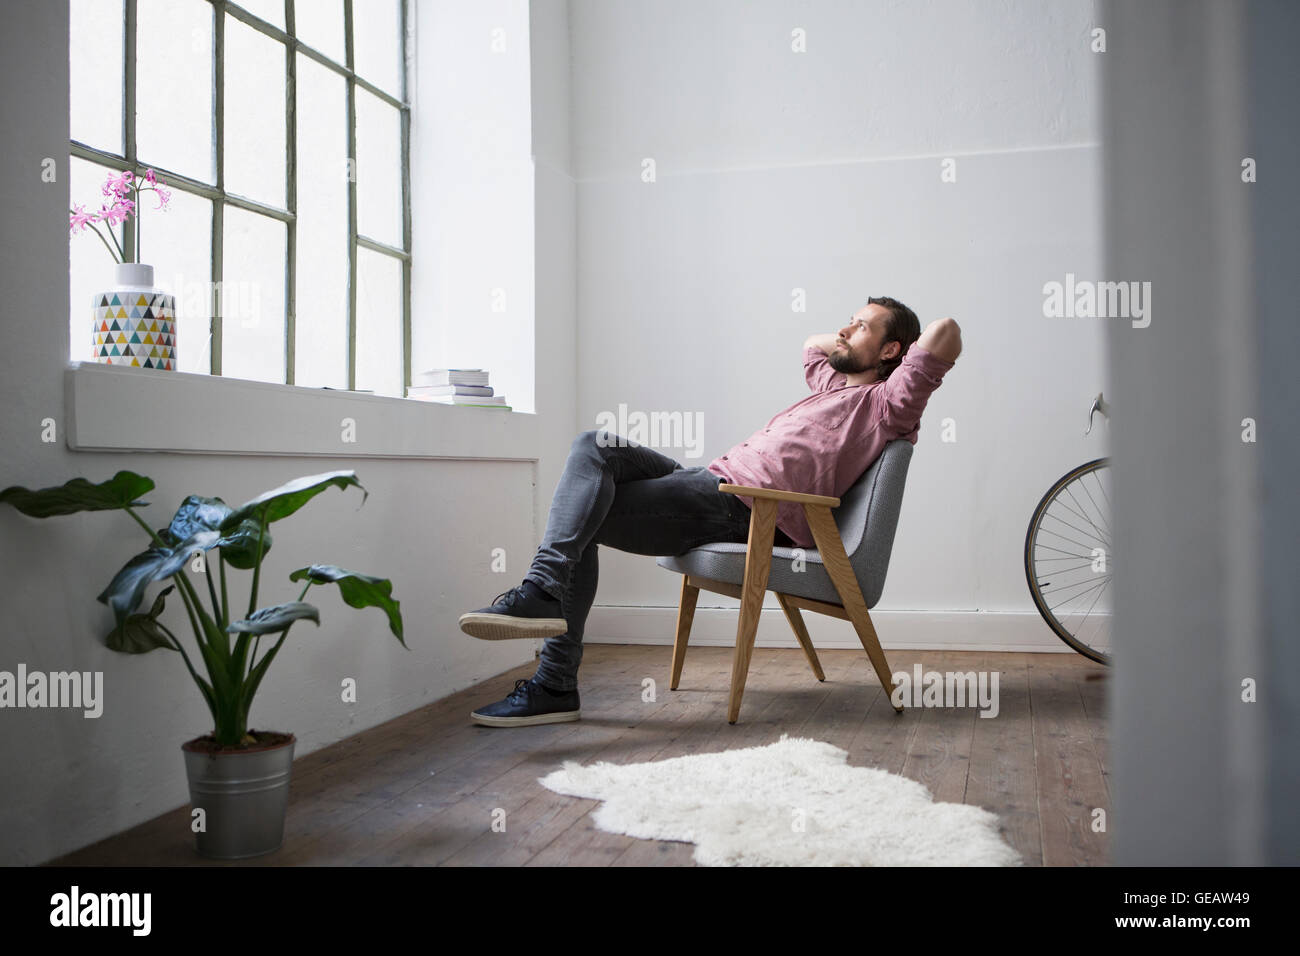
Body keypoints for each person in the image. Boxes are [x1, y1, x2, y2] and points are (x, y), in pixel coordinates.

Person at [458, 297, 963, 726]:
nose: (845, 330)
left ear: (894, 350)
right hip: (707, 479)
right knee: (595, 444)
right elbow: (812, 345)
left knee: (584, 513)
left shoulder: (887, 406)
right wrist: (851, 338)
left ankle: (551, 667)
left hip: (740, 508)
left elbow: (945, 333)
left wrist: (879, 342)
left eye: (861, 326)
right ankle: (545, 599)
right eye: (848, 322)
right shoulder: (834, 388)